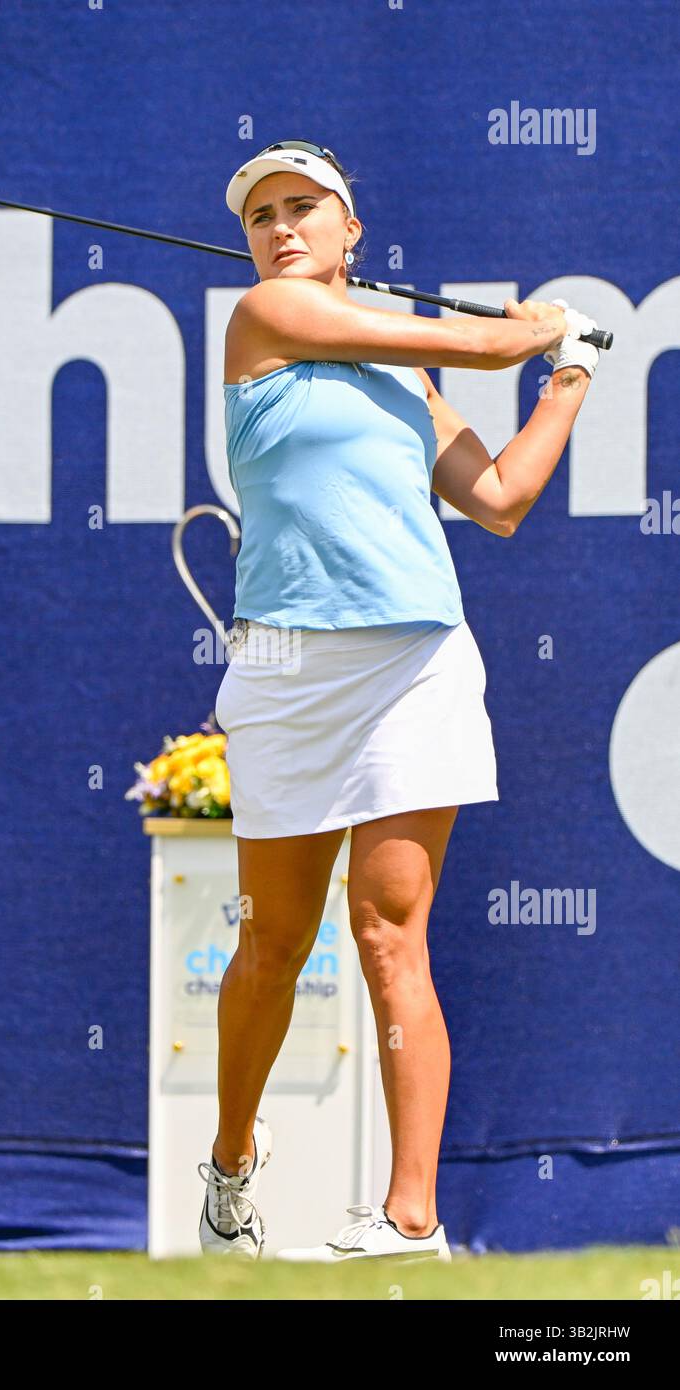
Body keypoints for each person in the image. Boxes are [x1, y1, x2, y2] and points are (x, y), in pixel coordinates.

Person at [196, 140, 600, 1261]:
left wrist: (568, 376)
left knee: (389, 934)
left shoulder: (403, 379)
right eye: (261, 214)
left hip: (413, 662)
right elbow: (474, 340)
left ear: (349, 227)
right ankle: (232, 1157)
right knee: (271, 946)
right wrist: (521, 331)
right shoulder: (263, 321)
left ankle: (408, 1217)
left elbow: (501, 499)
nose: (280, 227)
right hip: (286, 670)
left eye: (303, 207)